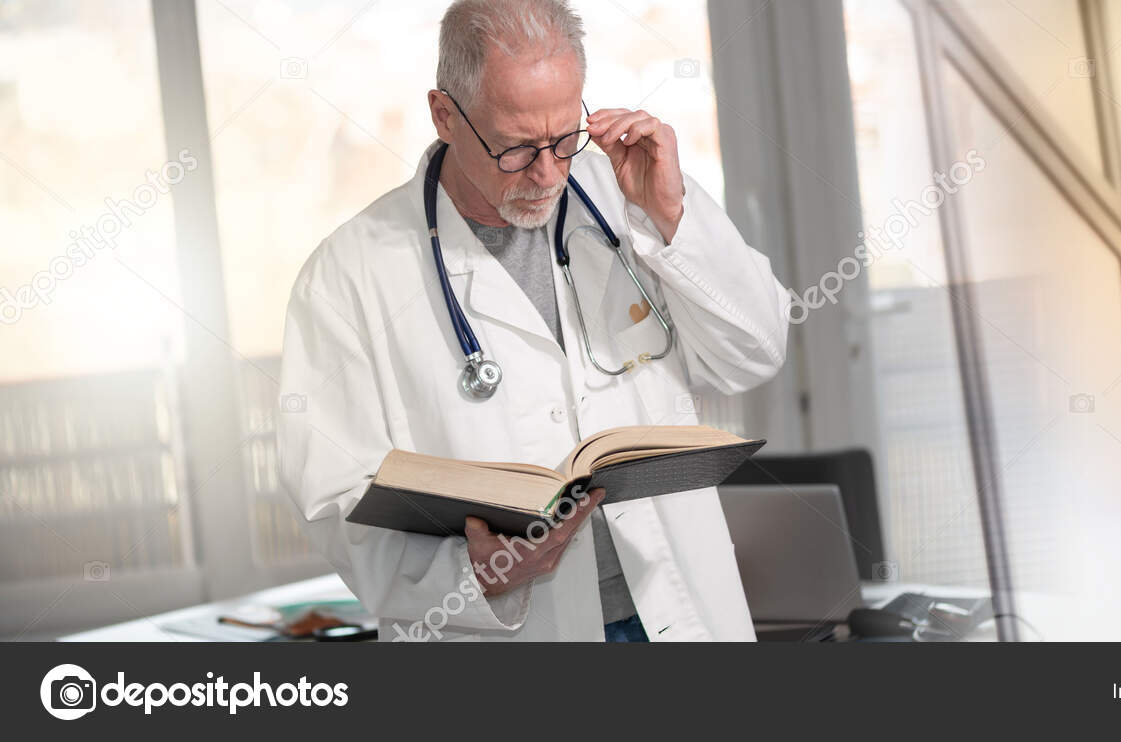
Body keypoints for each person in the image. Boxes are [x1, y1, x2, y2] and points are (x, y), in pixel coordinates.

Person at [276, 0, 788, 642]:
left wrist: (671, 219)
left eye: (565, 138)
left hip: (676, 613)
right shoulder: (350, 273)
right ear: (444, 115)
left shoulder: (629, 191)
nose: (548, 173)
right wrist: (471, 573)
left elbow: (755, 352)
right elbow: (332, 500)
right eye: (516, 147)